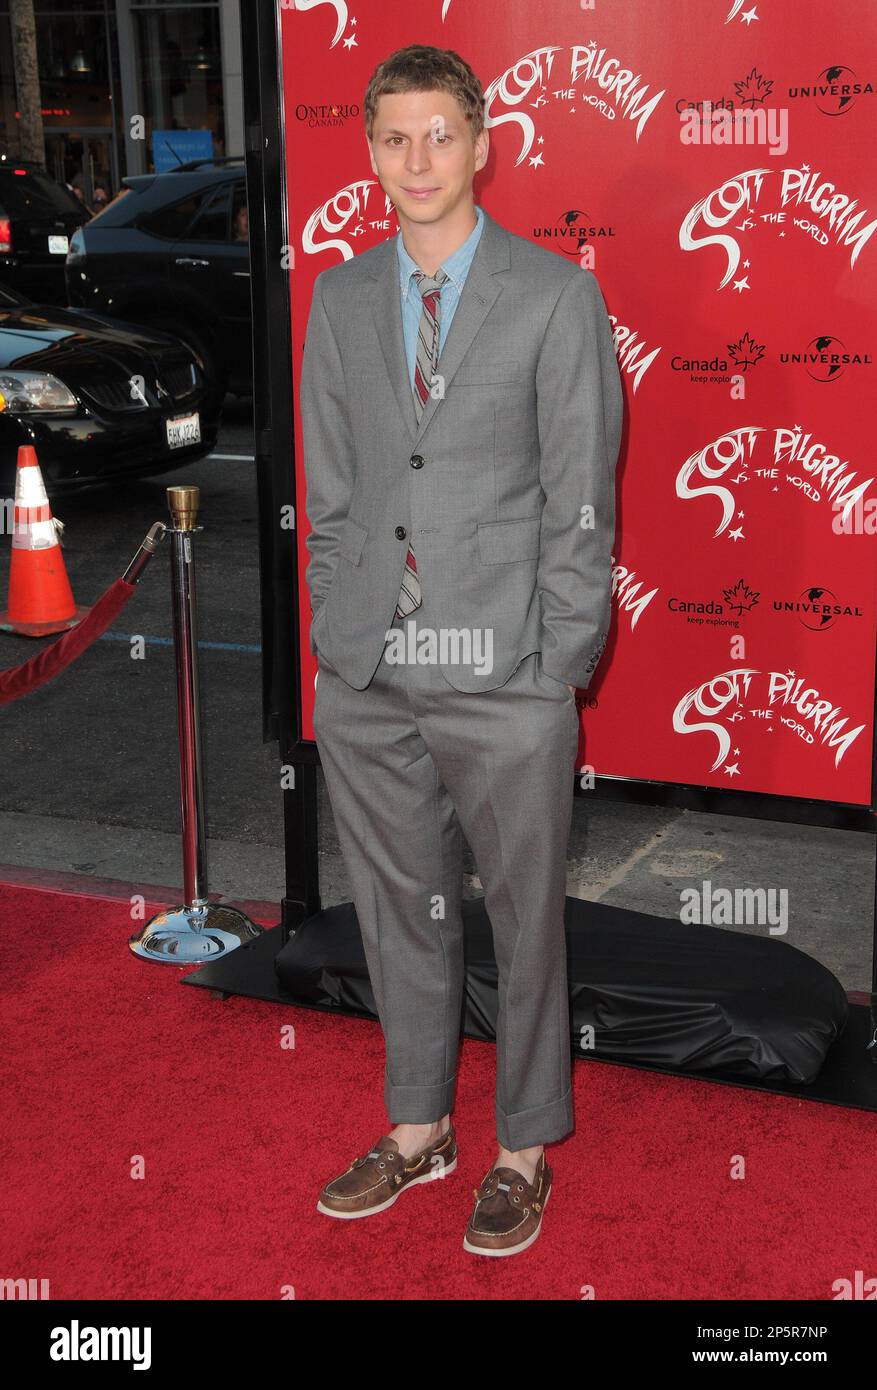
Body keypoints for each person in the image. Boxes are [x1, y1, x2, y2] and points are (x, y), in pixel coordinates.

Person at [300, 43, 623, 1257]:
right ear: (370, 149)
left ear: (484, 145)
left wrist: (555, 669)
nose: (416, 160)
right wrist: (340, 639)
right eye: (394, 138)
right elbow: (333, 500)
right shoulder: (337, 300)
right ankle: (419, 1125)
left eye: (440, 134)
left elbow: (579, 499)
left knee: (526, 920)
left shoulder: (552, 296)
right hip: (371, 674)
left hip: (507, 678)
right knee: (398, 916)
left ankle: (523, 1146)